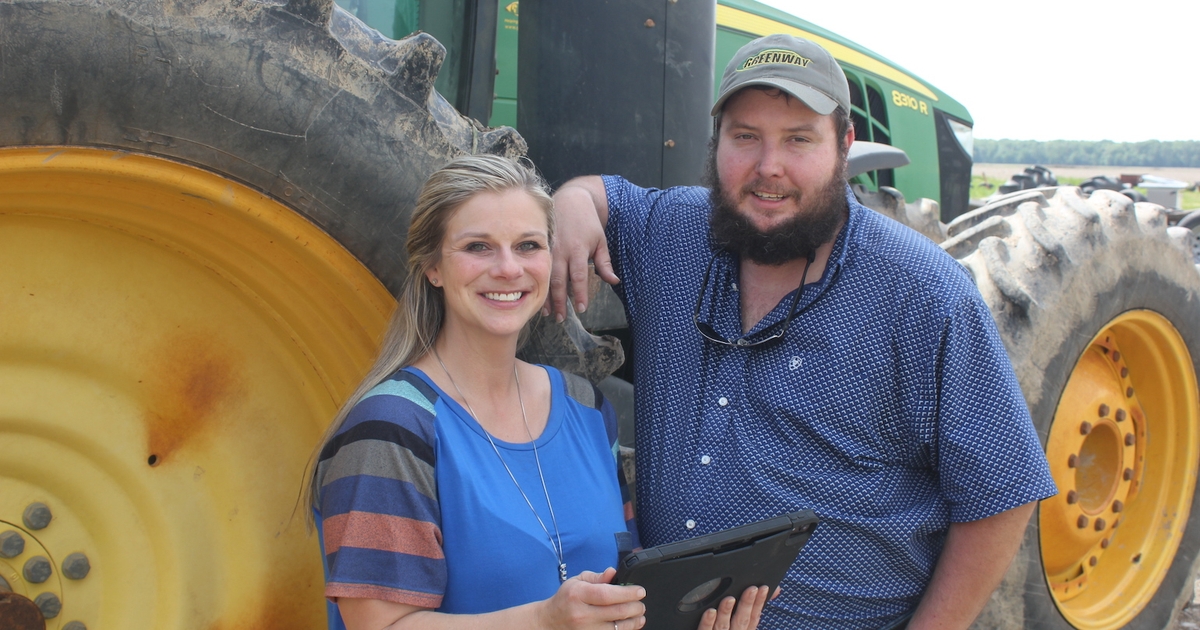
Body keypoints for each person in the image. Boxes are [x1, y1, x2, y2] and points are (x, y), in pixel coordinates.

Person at [547, 35, 1058, 629]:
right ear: (716, 142)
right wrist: (570, 201)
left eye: (798, 139)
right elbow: (600, 195)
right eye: (746, 137)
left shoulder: (923, 294)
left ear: (844, 144)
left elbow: (1002, 494)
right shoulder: (673, 232)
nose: (769, 167)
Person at [305, 155, 771, 630]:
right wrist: (545, 621)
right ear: (432, 267)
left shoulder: (586, 408)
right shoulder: (391, 429)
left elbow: (626, 595)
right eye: (478, 247)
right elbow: (381, 625)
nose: (509, 269)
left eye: (528, 245)